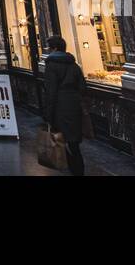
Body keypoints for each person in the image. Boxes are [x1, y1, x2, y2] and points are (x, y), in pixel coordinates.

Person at [40, 35, 86, 176]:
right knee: (73, 141)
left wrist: (48, 114)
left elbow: (51, 92)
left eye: (48, 47)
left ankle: (74, 168)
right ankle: (78, 169)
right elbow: (82, 86)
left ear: (54, 48)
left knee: (61, 139)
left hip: (60, 107)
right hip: (74, 106)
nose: (47, 50)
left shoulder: (51, 66)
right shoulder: (74, 65)